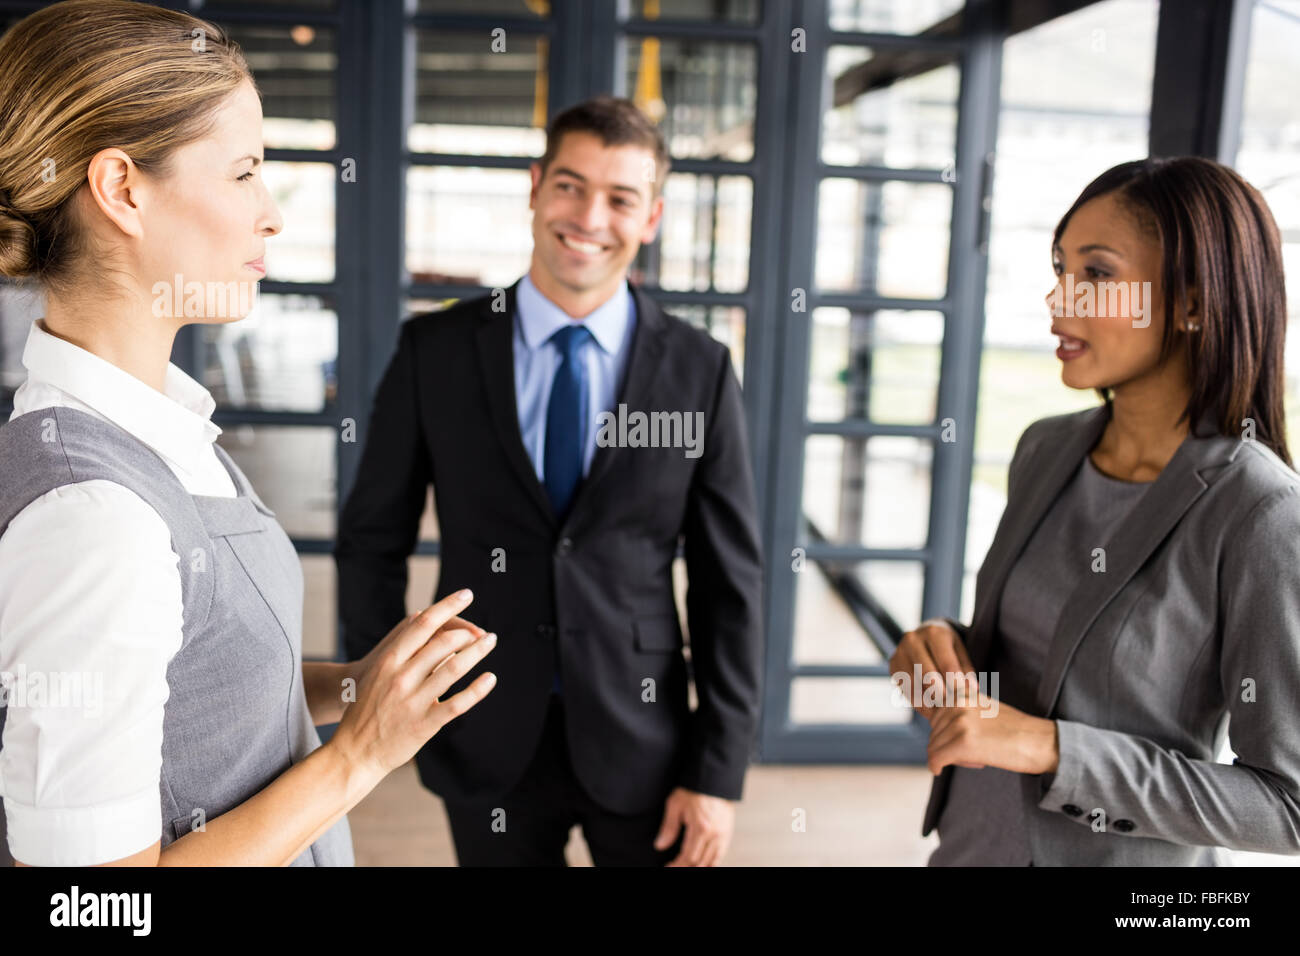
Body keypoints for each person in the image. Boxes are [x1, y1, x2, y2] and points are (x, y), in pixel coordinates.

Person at [0, 0, 496, 867]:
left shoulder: (166, 428)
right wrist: (363, 753)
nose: (272, 214)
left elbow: (200, 685)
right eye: (244, 173)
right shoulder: (93, 517)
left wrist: (354, 686)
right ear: (122, 189)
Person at [335, 96, 764, 867]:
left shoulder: (700, 370)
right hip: (481, 729)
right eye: (569, 185)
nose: (589, 216)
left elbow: (730, 584)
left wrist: (718, 773)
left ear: (652, 217)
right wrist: (378, 697)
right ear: (535, 187)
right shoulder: (436, 350)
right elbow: (372, 539)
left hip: (647, 742)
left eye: (621, 198)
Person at [891, 156, 1300, 865]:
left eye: (1097, 275)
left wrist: (1051, 749)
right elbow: (1038, 661)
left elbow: (1286, 807)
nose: (1058, 301)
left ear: (1193, 302)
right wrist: (942, 646)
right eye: (1060, 270)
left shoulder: (1260, 513)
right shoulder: (1045, 449)